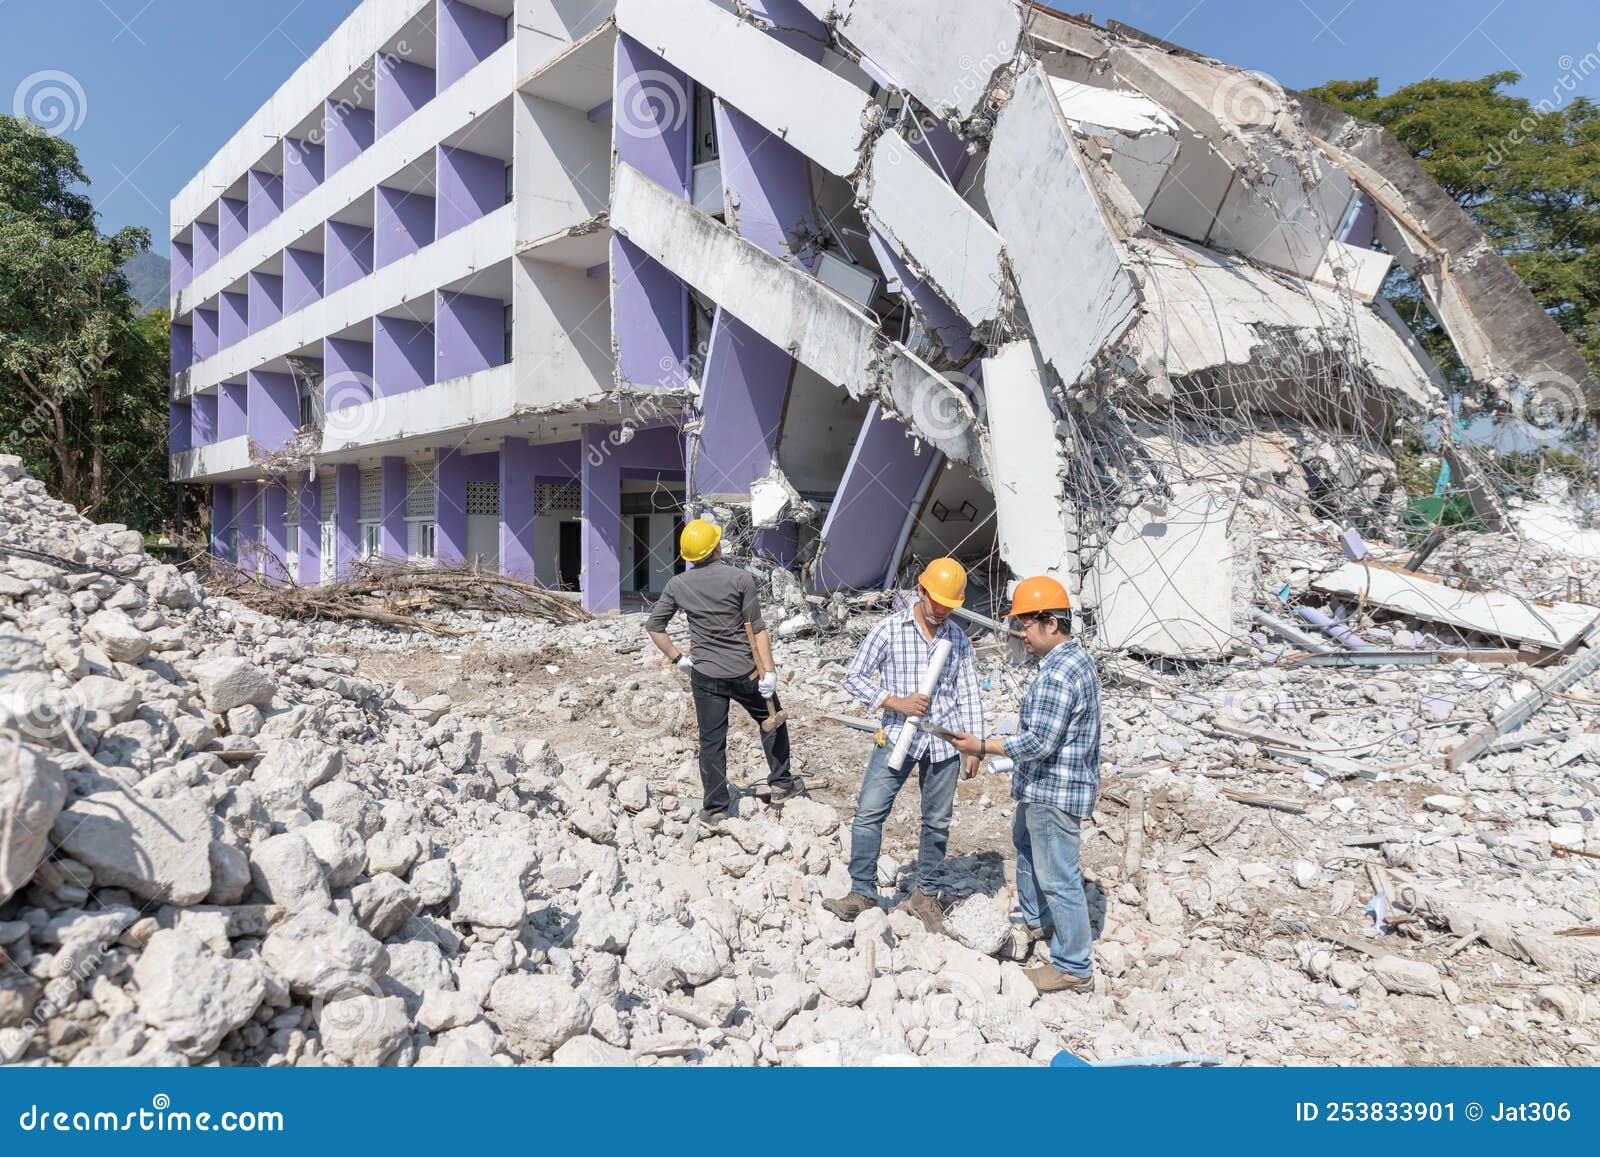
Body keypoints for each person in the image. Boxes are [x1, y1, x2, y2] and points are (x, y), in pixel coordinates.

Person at [950, 575, 1101, 994]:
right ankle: (1037, 921)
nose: (1022, 636)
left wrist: (984, 744)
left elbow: (1039, 742)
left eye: (1027, 627)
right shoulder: (1073, 661)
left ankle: (1073, 967)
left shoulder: (1057, 674)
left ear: (1051, 623)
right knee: (1027, 847)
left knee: (1059, 877)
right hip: (1046, 789)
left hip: (1054, 792)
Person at [822, 558, 983, 933]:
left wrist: (972, 746)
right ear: (922, 591)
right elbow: (854, 678)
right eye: (937, 602)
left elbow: (969, 692)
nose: (942, 611)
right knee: (869, 813)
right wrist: (894, 701)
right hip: (897, 736)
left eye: (950, 606)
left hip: (943, 743)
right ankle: (861, 892)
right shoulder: (889, 630)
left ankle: (925, 895)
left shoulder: (956, 638)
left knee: (938, 822)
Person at [645, 519, 801, 826]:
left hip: (705, 676)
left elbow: (654, 627)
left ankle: (715, 808)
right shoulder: (741, 579)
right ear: (716, 547)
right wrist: (769, 673)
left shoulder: (677, 585)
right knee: (772, 722)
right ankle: (781, 783)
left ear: (688, 556)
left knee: (711, 741)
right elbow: (756, 629)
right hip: (746, 673)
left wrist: (678, 659)